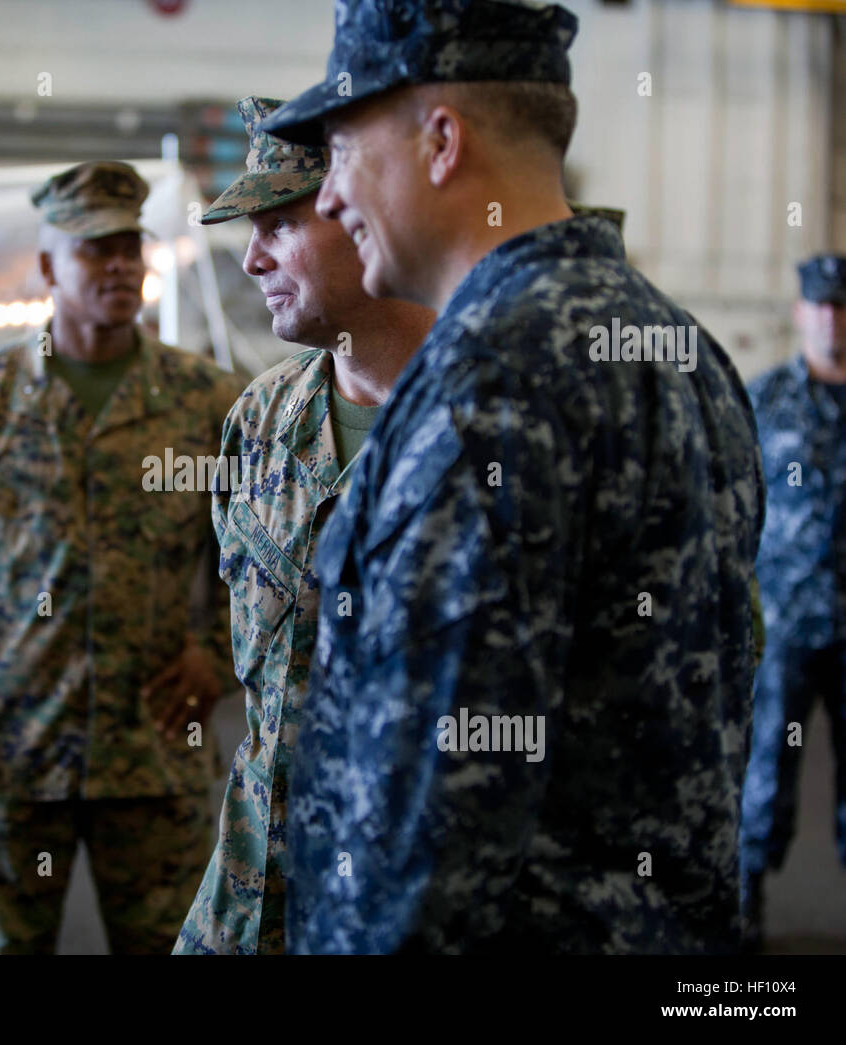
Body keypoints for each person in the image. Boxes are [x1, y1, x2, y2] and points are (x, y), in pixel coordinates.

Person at [263, 0, 765, 953]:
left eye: (340, 151)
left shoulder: (484, 387)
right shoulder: (688, 353)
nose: (327, 199)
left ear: (441, 140)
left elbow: (424, 837)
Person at [0, 160, 243, 954]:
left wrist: (216, 651)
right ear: (50, 266)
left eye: (130, 246)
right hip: (11, 751)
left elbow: (260, 551)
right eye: (94, 250)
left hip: (156, 746)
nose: (118, 265)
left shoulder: (208, 401)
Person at [174, 97, 434, 954]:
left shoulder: (492, 425)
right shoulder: (260, 420)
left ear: (365, 219)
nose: (251, 260)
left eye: (280, 226)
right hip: (255, 895)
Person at [741, 253, 846, 951]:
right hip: (782, 623)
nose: (832, 318)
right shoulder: (765, 396)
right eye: (821, 305)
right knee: (767, 774)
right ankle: (743, 903)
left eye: (842, 306)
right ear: (799, 312)